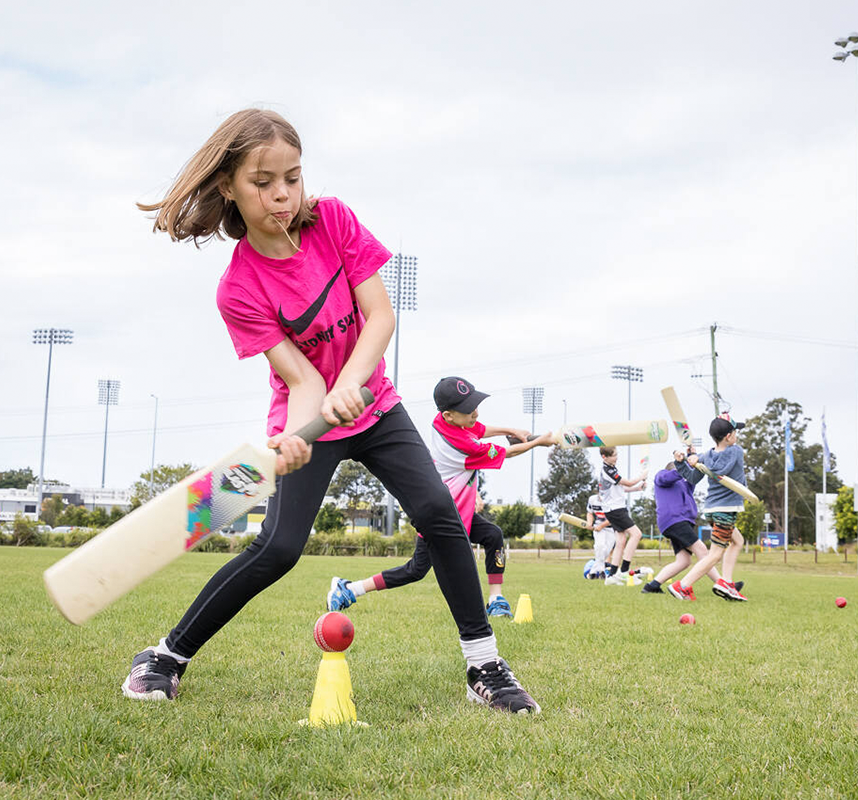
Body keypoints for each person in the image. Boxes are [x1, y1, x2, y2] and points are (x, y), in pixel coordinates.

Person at [120, 109, 540, 713]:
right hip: (309, 418)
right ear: (228, 187)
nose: (283, 195)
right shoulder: (239, 288)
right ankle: (165, 656)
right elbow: (301, 378)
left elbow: (381, 317)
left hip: (376, 407)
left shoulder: (332, 220)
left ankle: (485, 665)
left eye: (292, 177)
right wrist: (298, 434)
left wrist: (349, 384)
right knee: (278, 549)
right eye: (263, 183)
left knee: (440, 516)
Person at [326, 376, 554, 617]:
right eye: (468, 410)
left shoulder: (444, 422)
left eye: (474, 405)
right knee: (415, 570)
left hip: (458, 513)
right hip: (440, 516)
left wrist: (511, 430)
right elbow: (507, 453)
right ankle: (350, 589)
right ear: (449, 415)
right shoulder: (463, 445)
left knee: (492, 535)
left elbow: (480, 429)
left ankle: (496, 599)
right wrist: (539, 442)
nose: (475, 413)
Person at [664, 417, 749, 601]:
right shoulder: (735, 451)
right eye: (735, 432)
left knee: (737, 541)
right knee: (715, 553)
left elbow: (693, 477)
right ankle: (682, 586)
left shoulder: (706, 457)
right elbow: (720, 469)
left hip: (712, 509)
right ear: (729, 436)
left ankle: (727, 582)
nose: (737, 435)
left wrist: (689, 461)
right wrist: (687, 461)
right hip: (724, 509)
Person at [641, 453, 744, 598]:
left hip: (681, 522)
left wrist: (693, 459)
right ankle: (723, 584)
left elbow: (693, 477)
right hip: (674, 520)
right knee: (701, 550)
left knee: (684, 561)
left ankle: (652, 586)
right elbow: (671, 476)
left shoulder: (685, 484)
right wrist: (682, 467)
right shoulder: (662, 476)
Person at [596, 447, 648, 585]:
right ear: (604, 457)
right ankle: (624, 571)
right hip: (615, 509)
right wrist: (641, 476)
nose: (616, 457)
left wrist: (637, 488)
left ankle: (612, 576)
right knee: (636, 534)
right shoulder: (607, 470)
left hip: (614, 508)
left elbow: (620, 488)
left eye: (617, 454)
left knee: (621, 541)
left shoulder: (612, 468)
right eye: (614, 455)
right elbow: (628, 482)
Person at [583, 493, 612, 579]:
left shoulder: (614, 500)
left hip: (612, 528)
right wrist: (589, 523)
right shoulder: (592, 499)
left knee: (606, 551)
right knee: (599, 547)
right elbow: (589, 512)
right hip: (597, 527)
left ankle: (592, 571)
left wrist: (601, 526)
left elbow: (613, 518)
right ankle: (599, 572)